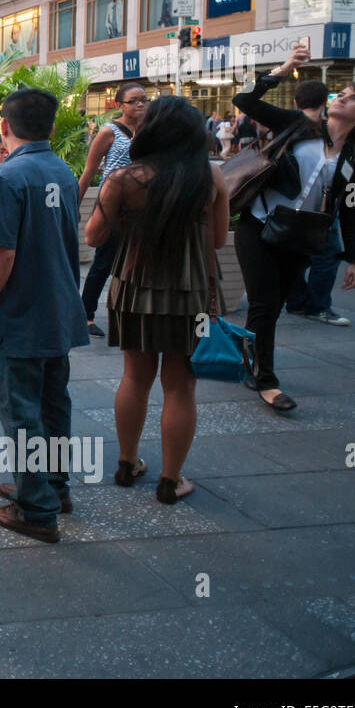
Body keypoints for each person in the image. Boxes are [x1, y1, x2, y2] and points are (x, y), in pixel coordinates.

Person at [85, 96, 229, 505]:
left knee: (134, 377)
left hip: (134, 288)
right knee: (180, 387)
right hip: (190, 293)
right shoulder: (210, 178)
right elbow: (218, 240)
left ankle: (127, 463)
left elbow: (94, 236)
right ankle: (171, 479)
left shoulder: (123, 179)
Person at [233, 43, 355, 411]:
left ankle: (248, 353)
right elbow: (244, 101)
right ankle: (266, 380)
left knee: (275, 305)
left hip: (300, 236)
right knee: (265, 304)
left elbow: (351, 208)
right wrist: (282, 69)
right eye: (341, 94)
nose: (341, 99)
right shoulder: (299, 126)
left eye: (351, 98)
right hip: (258, 224)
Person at [0, 89, 89, 542]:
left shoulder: (10, 175)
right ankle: (50, 486)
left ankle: (37, 509)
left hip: (23, 311)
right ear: (53, 129)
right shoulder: (61, 168)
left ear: (4, 126)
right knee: (53, 403)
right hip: (59, 306)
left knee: (20, 409)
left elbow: (0, 253)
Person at [76, 82, 146, 337]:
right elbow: (89, 171)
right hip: (112, 206)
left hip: (142, 207)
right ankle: (86, 315)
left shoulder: (151, 130)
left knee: (136, 263)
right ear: (120, 105)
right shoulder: (109, 131)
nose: (140, 104)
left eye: (144, 100)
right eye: (134, 100)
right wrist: (75, 206)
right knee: (104, 262)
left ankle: (128, 312)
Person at [284, 81, 349, 326]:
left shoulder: (288, 125)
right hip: (320, 209)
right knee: (327, 255)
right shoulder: (326, 132)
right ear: (325, 102)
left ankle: (297, 300)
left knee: (294, 254)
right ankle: (316, 305)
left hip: (286, 205)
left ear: (295, 102)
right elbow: (353, 198)